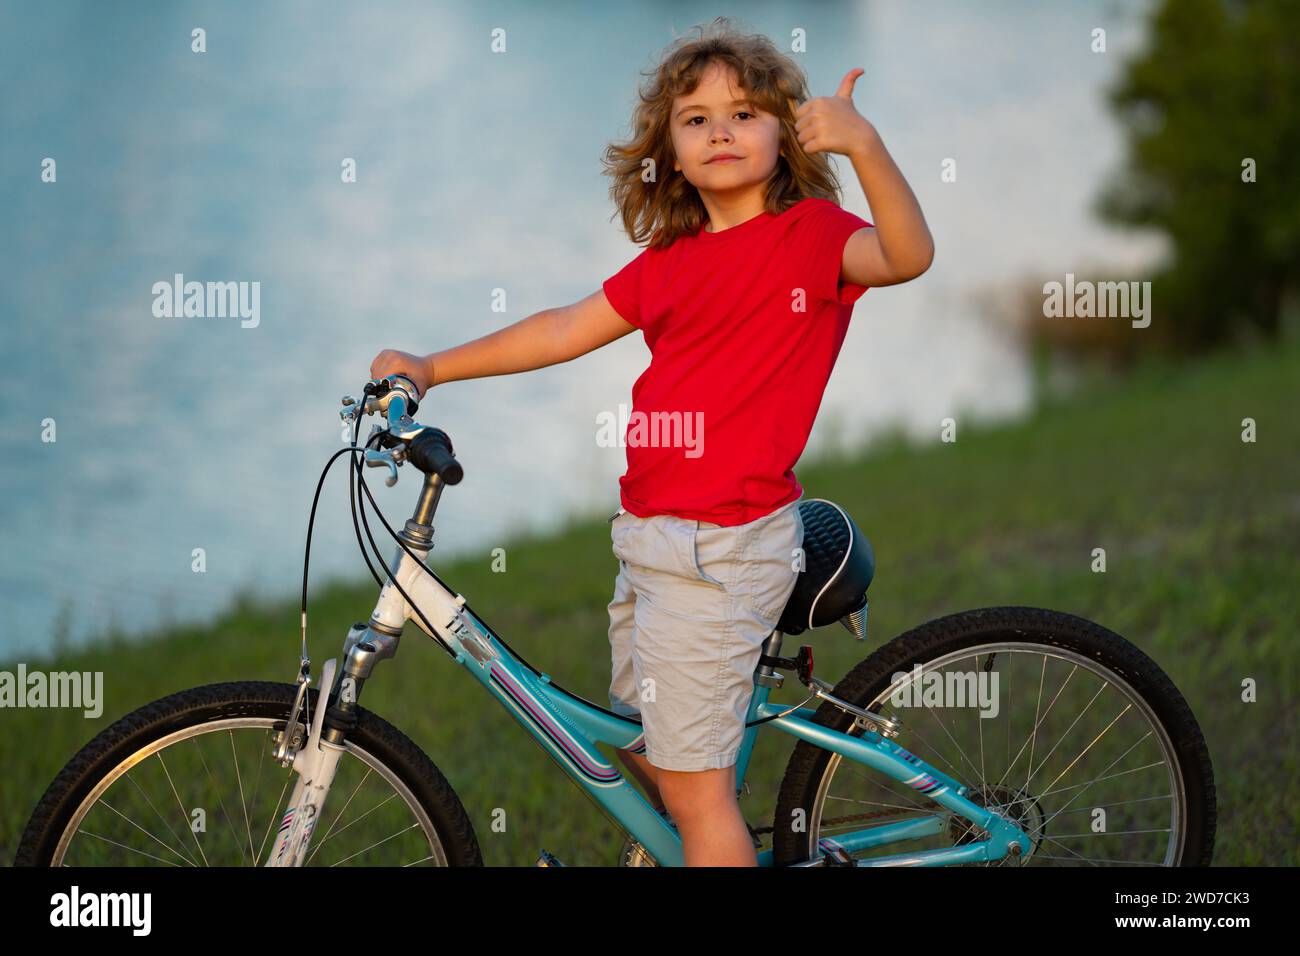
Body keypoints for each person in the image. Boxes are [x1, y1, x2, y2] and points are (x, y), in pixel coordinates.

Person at [370, 17, 933, 866]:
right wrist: (433, 366)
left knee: (697, 796)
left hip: (727, 547)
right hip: (651, 541)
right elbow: (563, 329)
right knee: (647, 746)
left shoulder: (812, 236)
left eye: (744, 113)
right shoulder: (671, 260)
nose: (720, 132)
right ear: (667, 150)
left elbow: (907, 253)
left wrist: (865, 146)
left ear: (784, 131)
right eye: (696, 118)